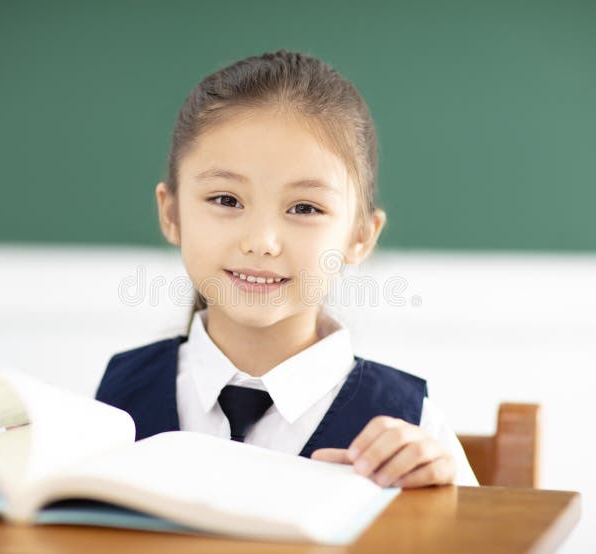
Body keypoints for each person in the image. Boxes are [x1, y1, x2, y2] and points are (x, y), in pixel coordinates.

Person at [96, 49, 479, 488]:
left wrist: (437, 505)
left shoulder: (413, 433)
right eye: (226, 200)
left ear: (360, 236)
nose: (261, 241)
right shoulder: (115, 401)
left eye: (304, 208)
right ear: (172, 214)